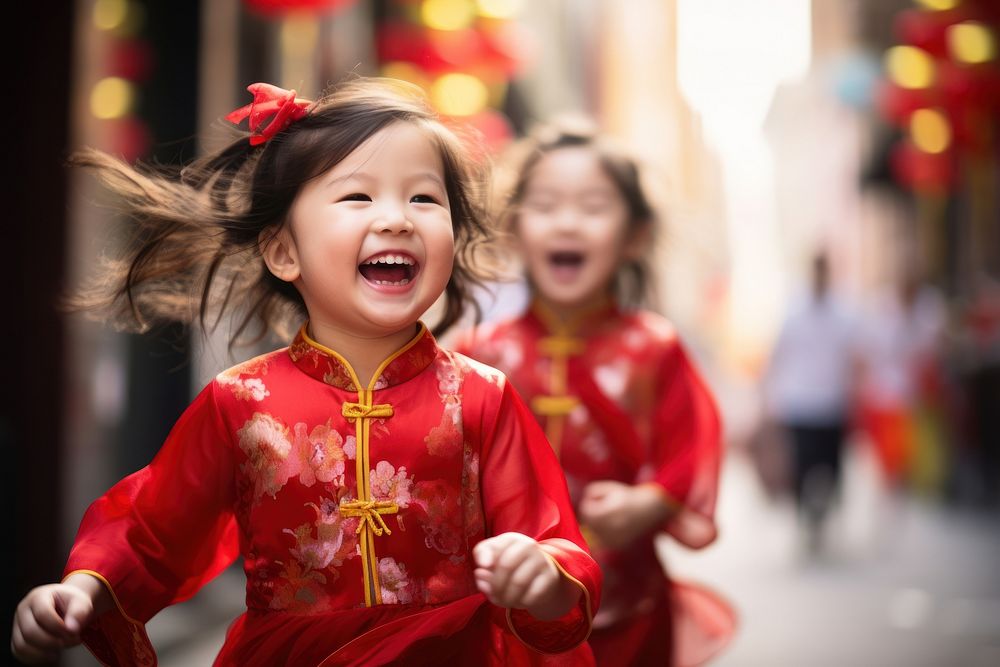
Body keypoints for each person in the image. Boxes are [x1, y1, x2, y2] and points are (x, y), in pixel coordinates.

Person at [11, 79, 601, 666]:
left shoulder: (482, 397)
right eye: (357, 198)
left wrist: (542, 576)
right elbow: (153, 530)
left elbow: (552, 536)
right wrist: (83, 587)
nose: (397, 219)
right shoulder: (240, 401)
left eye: (424, 199)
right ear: (283, 252)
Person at [454, 119, 734, 666]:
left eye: (593, 206)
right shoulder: (477, 353)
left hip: (628, 607)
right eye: (547, 205)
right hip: (507, 609)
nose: (568, 223)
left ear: (635, 236)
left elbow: (691, 446)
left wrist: (649, 503)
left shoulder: (652, 346)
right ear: (513, 230)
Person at [763, 251, 859, 555]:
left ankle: (822, 520)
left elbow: (853, 358)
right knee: (802, 470)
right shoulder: (793, 310)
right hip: (800, 404)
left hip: (832, 404)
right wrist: (769, 399)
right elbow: (777, 356)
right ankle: (805, 521)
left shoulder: (843, 313)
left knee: (830, 470)